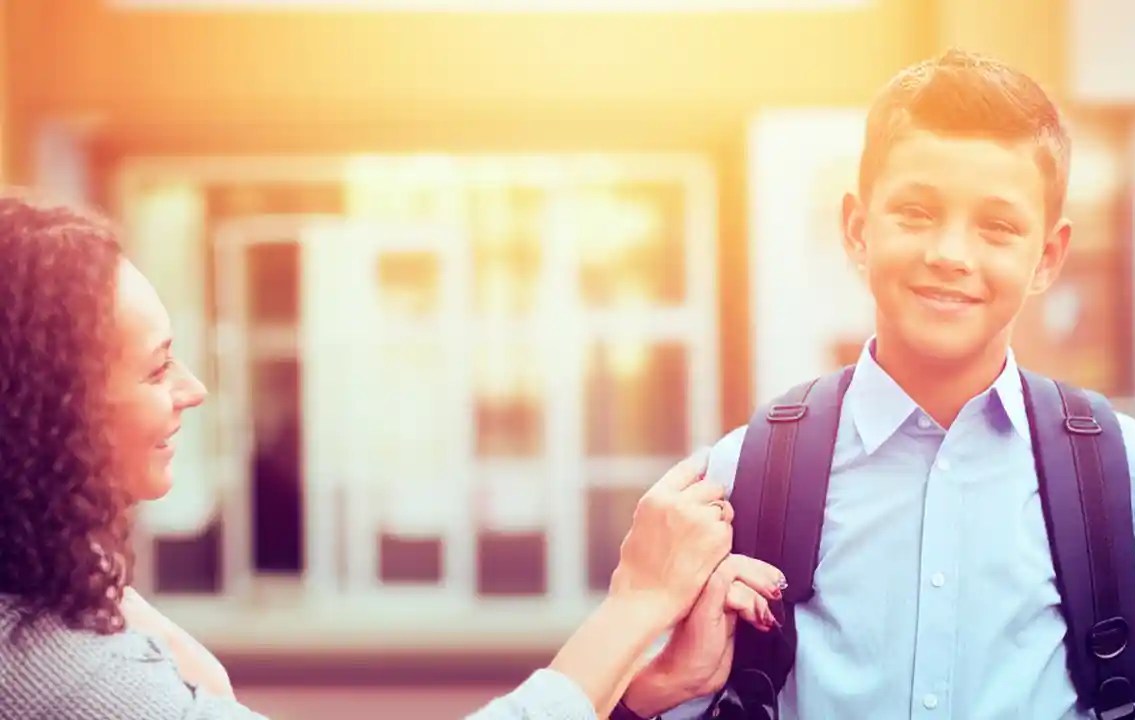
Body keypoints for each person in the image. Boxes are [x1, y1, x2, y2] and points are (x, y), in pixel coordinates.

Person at [0, 193, 783, 720]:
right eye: (155, 369)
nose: (192, 389)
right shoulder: (52, 665)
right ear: (44, 409)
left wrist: (637, 694)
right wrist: (638, 601)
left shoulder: (62, 587)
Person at [622, 49, 1135, 719]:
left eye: (997, 226)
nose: (949, 254)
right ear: (857, 230)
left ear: (1047, 257)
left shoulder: (1119, 472)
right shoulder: (747, 473)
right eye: (916, 212)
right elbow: (665, 695)